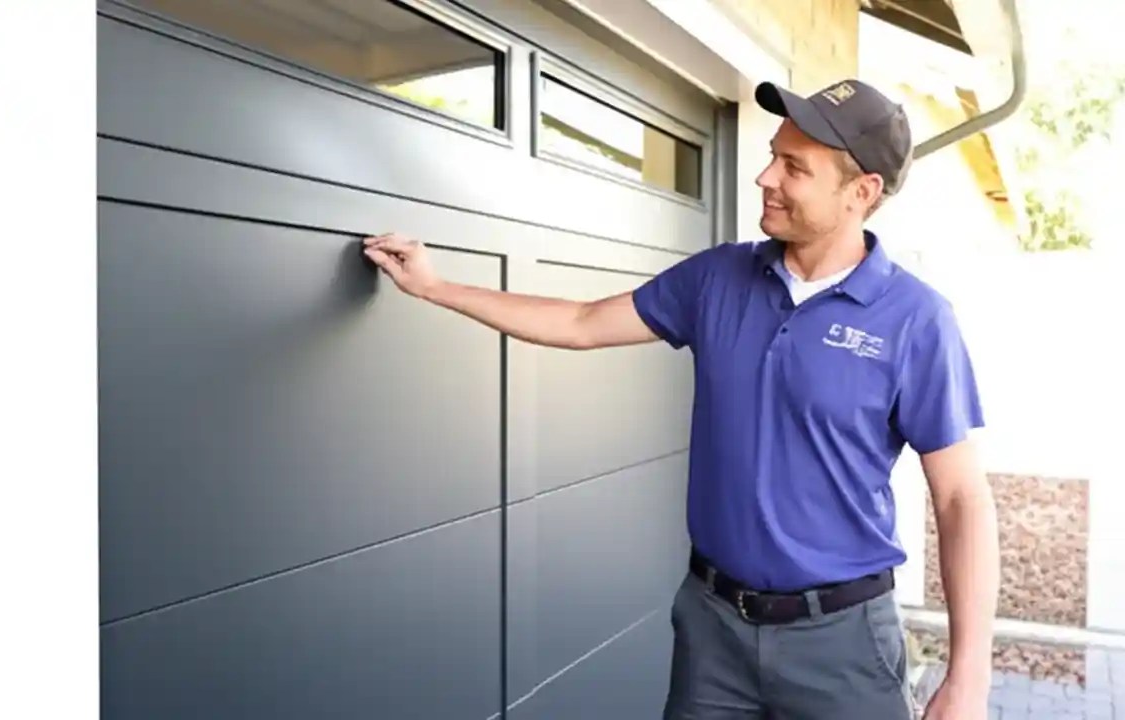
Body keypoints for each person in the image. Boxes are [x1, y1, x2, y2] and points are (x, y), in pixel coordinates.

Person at [362, 78, 999, 720]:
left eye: (793, 167)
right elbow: (583, 321)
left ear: (860, 193)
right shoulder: (719, 277)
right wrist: (437, 288)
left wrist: (968, 674)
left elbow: (960, 498)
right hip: (713, 628)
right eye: (772, 155)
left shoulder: (917, 320)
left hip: (843, 644)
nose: (765, 178)